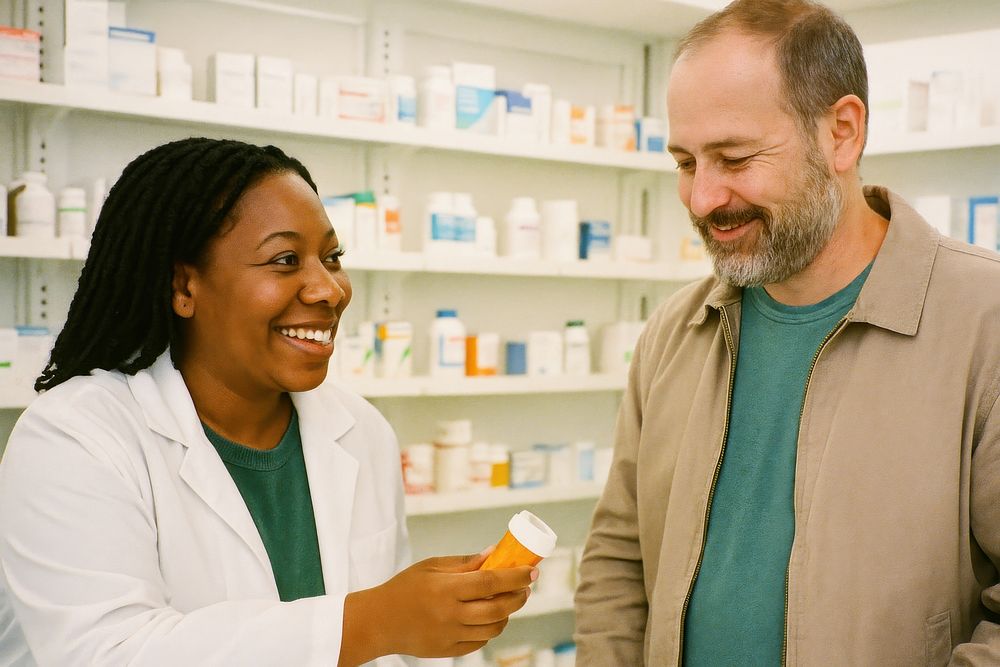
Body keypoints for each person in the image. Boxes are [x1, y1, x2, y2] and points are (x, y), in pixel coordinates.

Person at [574, 0, 1000, 664]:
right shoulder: (675, 333)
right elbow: (619, 560)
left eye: (735, 158)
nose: (701, 197)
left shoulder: (984, 322)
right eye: (686, 163)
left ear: (842, 133)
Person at [0, 137, 535, 666]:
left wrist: (442, 623)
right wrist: (374, 620)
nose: (328, 289)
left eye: (332, 257)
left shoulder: (359, 429)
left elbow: (393, 649)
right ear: (184, 286)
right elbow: (106, 654)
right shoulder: (74, 437)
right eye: (284, 260)